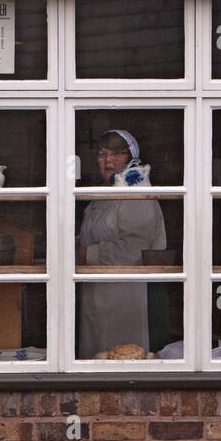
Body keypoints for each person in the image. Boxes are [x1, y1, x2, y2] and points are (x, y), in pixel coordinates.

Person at [77, 129, 168, 358]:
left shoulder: (136, 195)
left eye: (117, 154)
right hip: (96, 293)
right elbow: (90, 235)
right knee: (95, 357)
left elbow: (132, 249)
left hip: (126, 295)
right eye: (102, 154)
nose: (108, 160)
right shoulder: (101, 197)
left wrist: (84, 254)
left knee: (123, 355)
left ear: (131, 158)